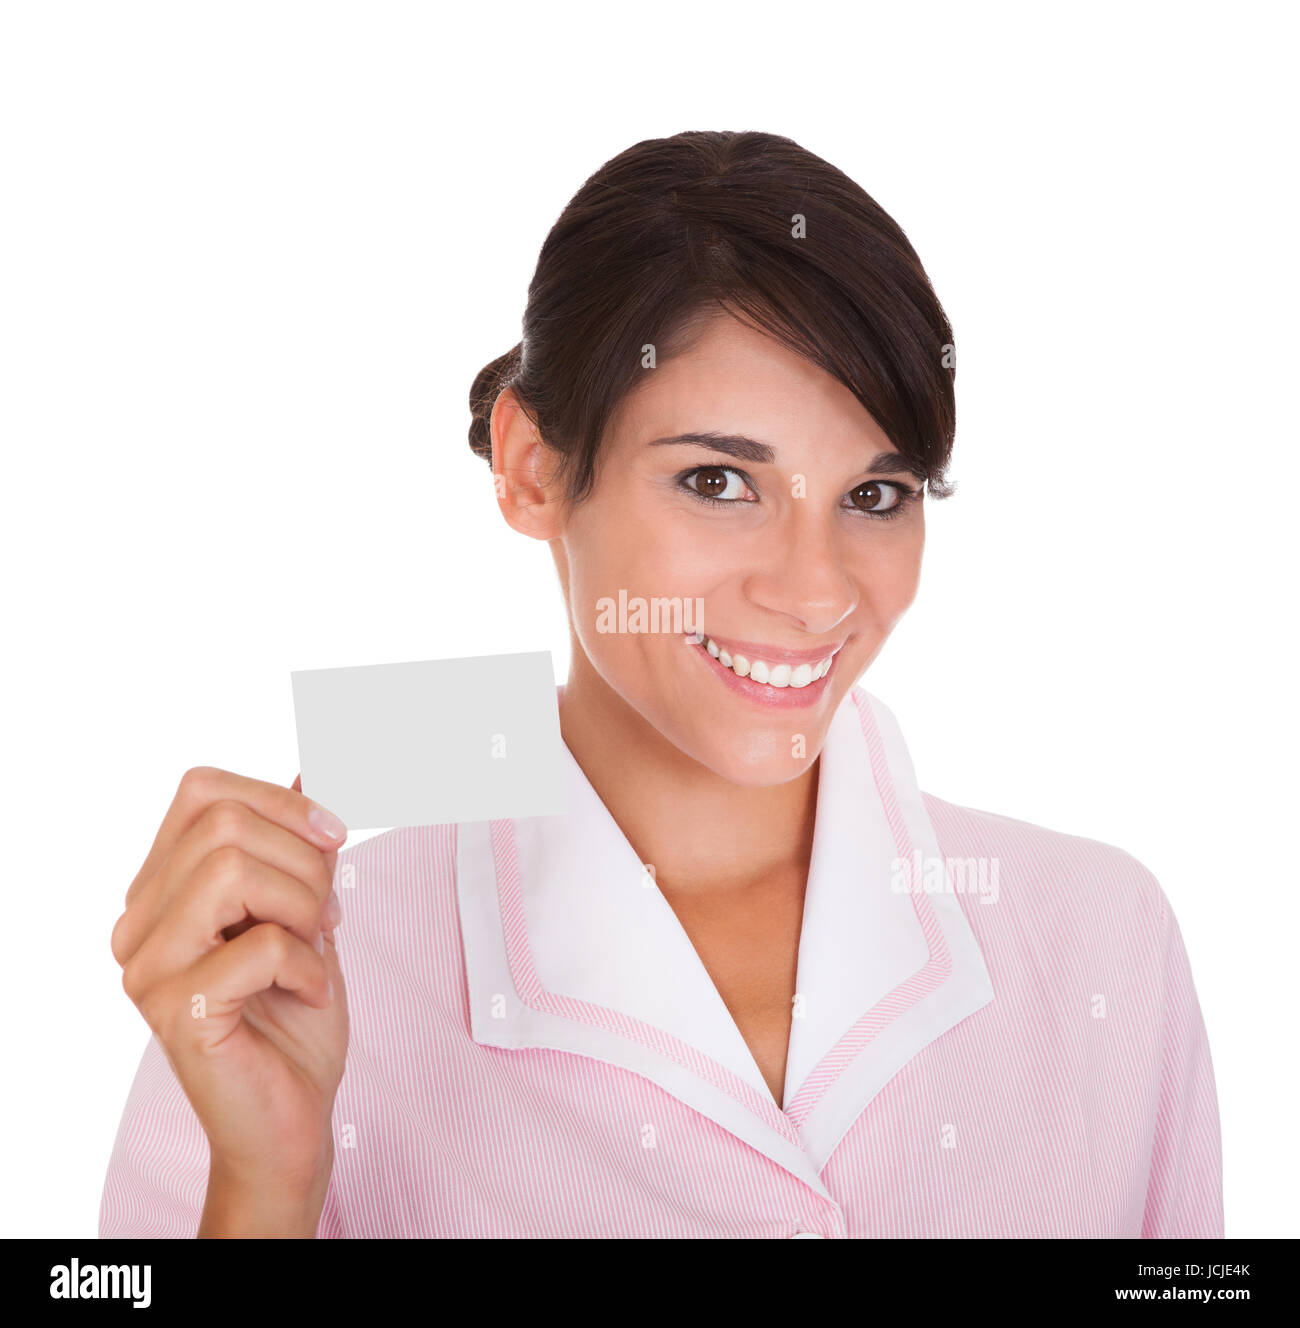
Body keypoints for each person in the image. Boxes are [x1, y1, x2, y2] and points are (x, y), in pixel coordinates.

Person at [101, 130, 1222, 1238]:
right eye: (717, 479)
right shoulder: (289, 976)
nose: (811, 588)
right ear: (533, 468)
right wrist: (265, 1185)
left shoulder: (1101, 940)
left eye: (874, 494)